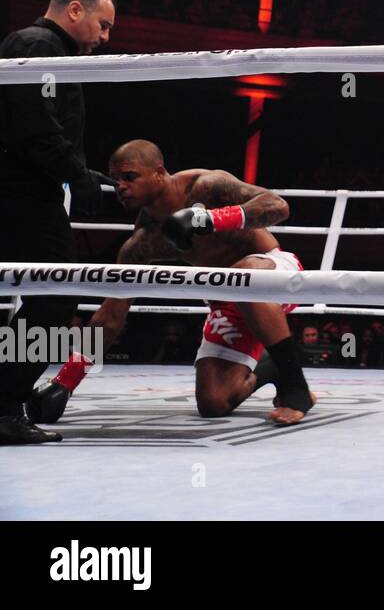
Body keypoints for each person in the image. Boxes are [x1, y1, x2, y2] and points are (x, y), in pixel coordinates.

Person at [26, 139, 314, 426]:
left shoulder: (206, 186)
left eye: (130, 177)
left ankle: (296, 388)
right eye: (115, 181)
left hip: (272, 275)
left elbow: (278, 206)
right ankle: (272, 367)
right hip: (226, 298)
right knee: (214, 402)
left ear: (159, 172)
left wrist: (210, 219)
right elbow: (112, 315)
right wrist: (66, 381)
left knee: (244, 276)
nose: (121, 187)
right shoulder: (143, 243)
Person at [0, 0, 116, 445]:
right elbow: (36, 130)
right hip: (22, 195)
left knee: (49, 293)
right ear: (74, 10)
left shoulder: (44, 48)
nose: (106, 37)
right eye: (102, 24)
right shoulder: (39, 44)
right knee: (57, 292)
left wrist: (84, 176)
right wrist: (79, 176)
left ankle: (5, 402)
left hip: (27, 191)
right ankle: (5, 404)